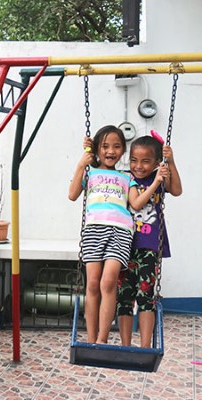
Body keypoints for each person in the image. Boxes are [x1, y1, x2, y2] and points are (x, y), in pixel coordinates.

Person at [68, 125, 168, 344]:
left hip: (121, 232)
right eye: (104, 146)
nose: (110, 151)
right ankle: (92, 340)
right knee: (93, 283)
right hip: (94, 230)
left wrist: (157, 182)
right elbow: (72, 194)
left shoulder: (127, 177)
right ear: (96, 149)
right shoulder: (90, 172)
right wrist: (80, 164)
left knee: (108, 282)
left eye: (116, 146)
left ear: (123, 150)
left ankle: (103, 339)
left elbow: (137, 202)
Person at [117, 136, 182, 347]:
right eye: (134, 160)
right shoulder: (125, 179)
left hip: (149, 245)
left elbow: (177, 190)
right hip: (124, 245)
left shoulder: (159, 177)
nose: (138, 166)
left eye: (145, 161)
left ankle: (145, 347)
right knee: (124, 297)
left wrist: (170, 162)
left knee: (145, 296)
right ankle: (125, 345)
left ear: (155, 163)